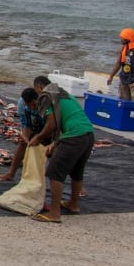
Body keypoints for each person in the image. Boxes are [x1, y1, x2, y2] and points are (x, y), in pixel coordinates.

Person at [27, 77, 97, 223]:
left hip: (74, 135)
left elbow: (51, 124)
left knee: (54, 172)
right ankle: (74, 204)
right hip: (88, 134)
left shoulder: (46, 96)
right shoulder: (65, 94)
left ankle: (54, 213)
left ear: (39, 87)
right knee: (77, 172)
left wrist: (38, 138)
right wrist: (56, 142)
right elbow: (66, 119)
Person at [0, 82, 46, 182]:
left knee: (59, 150)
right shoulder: (22, 105)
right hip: (34, 121)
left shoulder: (45, 102)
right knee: (22, 144)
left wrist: (40, 137)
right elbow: (26, 123)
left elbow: (51, 124)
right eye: (29, 105)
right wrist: (25, 137)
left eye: (33, 104)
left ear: (37, 99)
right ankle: (11, 174)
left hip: (48, 122)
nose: (31, 107)